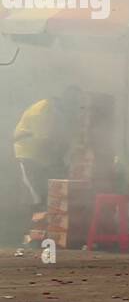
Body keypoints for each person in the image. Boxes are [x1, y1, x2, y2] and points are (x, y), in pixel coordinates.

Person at [12, 86, 82, 217]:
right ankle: (37, 224)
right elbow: (46, 141)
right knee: (37, 192)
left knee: (54, 186)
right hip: (29, 152)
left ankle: (49, 218)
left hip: (44, 153)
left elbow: (64, 137)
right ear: (66, 100)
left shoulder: (60, 111)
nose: (75, 109)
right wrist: (63, 159)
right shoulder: (43, 111)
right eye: (74, 104)